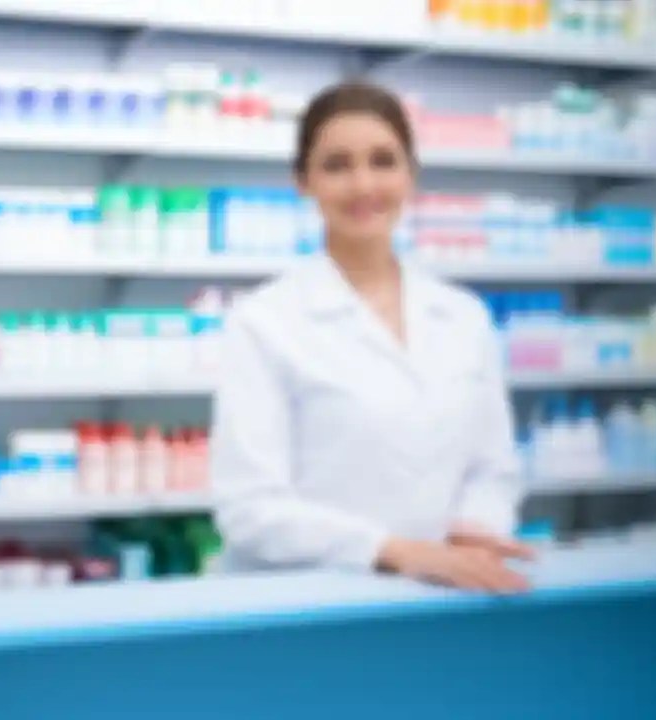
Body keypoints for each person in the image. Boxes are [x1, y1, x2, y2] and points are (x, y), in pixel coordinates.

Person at [210, 82, 535, 593]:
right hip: (306, 600)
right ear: (303, 181)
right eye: (337, 165)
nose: (364, 185)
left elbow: (493, 468)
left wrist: (475, 532)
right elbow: (249, 509)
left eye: (383, 161)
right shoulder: (264, 322)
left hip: (443, 594)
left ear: (411, 175)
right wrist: (395, 551)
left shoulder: (464, 317)